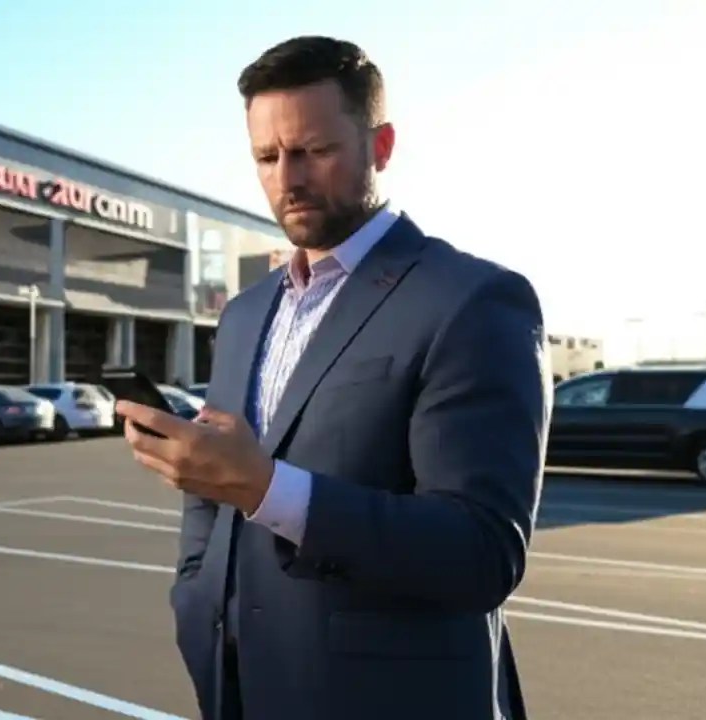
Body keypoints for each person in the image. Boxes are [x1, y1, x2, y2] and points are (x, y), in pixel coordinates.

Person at [115, 35, 550, 720]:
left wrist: (266, 487)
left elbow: (482, 553)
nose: (287, 178)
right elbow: (210, 491)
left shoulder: (470, 300)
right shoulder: (246, 313)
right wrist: (195, 597)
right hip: (241, 687)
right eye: (266, 156)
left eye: (314, 151)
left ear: (381, 146)